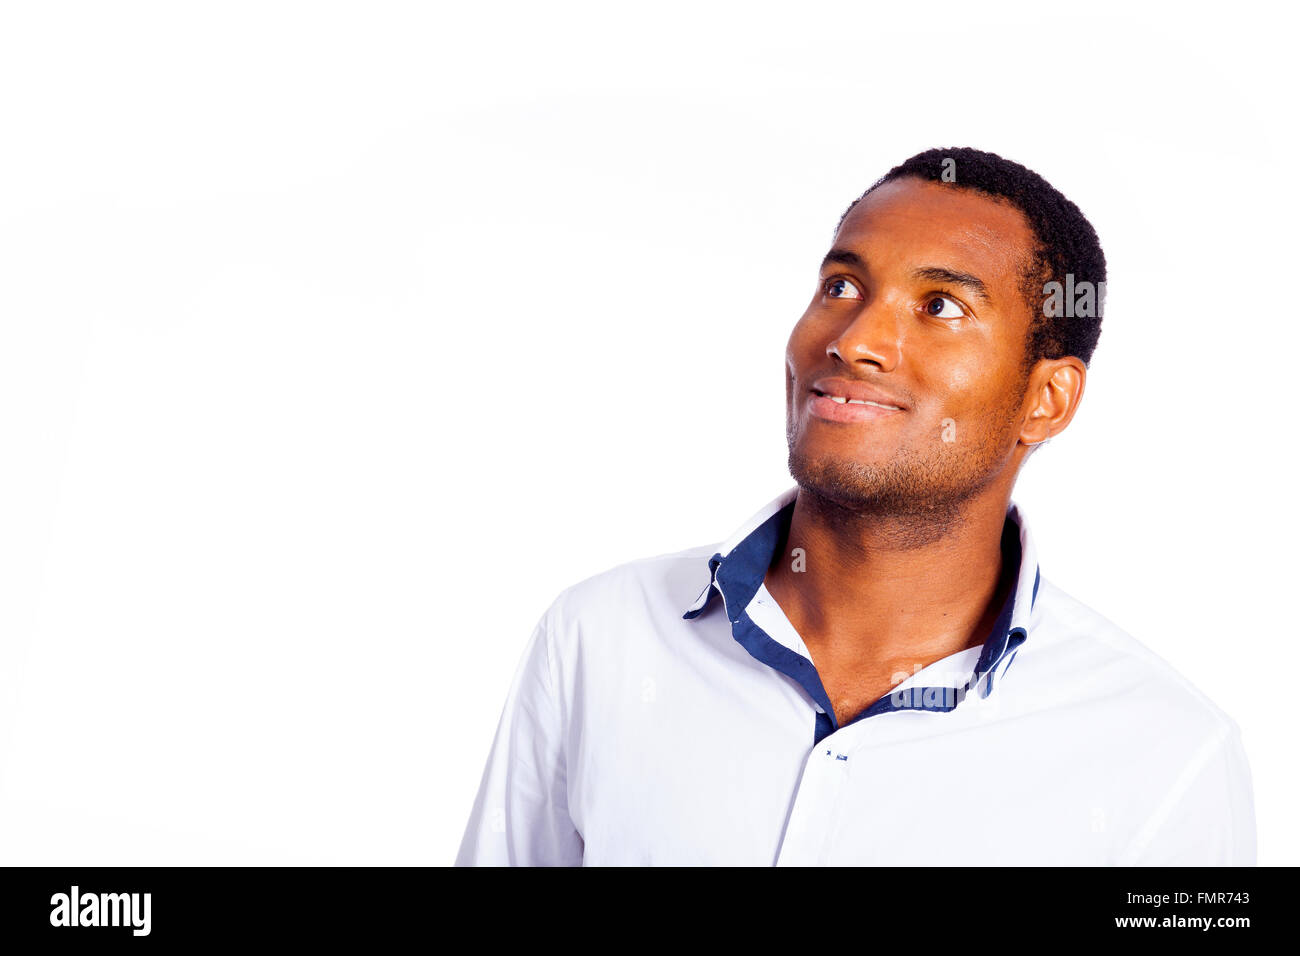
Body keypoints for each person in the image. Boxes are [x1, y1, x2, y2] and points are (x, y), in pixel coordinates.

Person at [454, 147, 1257, 866]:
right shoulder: (602, 638)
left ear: (1046, 400)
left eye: (940, 305)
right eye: (842, 286)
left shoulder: (1166, 755)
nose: (855, 339)